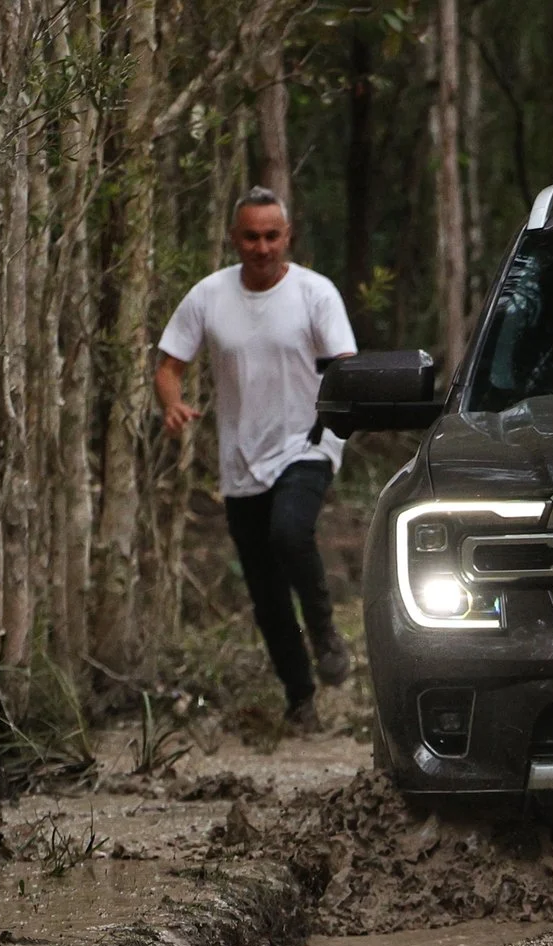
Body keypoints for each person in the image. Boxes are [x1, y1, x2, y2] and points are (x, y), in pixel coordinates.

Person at [154, 187, 358, 732]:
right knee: (265, 591)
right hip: (241, 456)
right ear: (235, 238)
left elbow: (346, 364)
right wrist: (172, 405)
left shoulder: (316, 294)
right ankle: (300, 700)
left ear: (287, 237)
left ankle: (324, 633)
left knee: (290, 534)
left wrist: (351, 405)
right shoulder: (209, 296)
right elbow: (169, 366)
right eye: (251, 236)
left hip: (308, 440)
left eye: (272, 236)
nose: (262, 247)